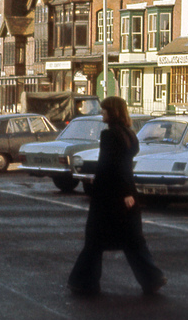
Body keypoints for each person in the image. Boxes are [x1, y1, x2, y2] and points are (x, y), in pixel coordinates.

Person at [68, 95, 166, 296]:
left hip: (109, 197)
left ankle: (84, 282)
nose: (101, 113)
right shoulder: (129, 134)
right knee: (133, 240)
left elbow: (109, 166)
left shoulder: (110, 135)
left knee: (95, 240)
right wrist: (129, 192)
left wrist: (104, 188)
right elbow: (124, 166)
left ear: (112, 112)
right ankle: (152, 278)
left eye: (104, 110)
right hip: (125, 193)